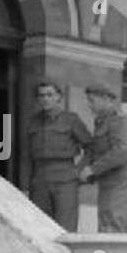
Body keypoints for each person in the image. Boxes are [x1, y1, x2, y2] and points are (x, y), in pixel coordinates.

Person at [26, 80, 91, 231]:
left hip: (65, 177)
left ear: (58, 97)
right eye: (41, 95)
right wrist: (26, 184)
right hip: (39, 178)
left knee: (65, 226)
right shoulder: (33, 122)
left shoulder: (71, 119)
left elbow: (90, 147)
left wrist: (79, 170)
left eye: (49, 95)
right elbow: (27, 155)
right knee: (39, 226)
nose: (45, 99)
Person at [80, 83, 127, 231]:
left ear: (106, 99)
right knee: (105, 228)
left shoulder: (120, 120)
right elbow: (95, 151)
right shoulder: (101, 122)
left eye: (92, 100)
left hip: (121, 183)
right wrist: (82, 172)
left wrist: (93, 169)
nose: (89, 105)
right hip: (108, 182)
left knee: (111, 228)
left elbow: (122, 151)